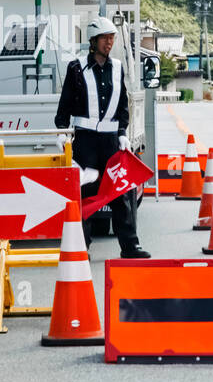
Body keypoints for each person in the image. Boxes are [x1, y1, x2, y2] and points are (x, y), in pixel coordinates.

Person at [53, 15, 150, 257]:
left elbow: (122, 106)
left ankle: (130, 246)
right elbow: (64, 106)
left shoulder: (117, 68)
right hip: (84, 141)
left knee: (121, 193)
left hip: (111, 142)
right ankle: (81, 247)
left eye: (112, 38)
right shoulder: (76, 68)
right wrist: (62, 133)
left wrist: (122, 133)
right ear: (93, 41)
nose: (109, 43)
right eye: (105, 38)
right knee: (84, 194)